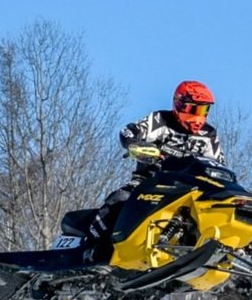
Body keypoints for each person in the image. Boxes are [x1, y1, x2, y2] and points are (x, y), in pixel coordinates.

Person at [88, 80, 226, 244]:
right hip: (150, 182)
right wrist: (135, 144)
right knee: (120, 200)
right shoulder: (161, 120)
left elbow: (218, 163)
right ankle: (92, 245)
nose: (198, 116)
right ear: (179, 104)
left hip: (190, 190)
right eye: (193, 109)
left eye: (204, 110)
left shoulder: (208, 135)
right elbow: (130, 131)